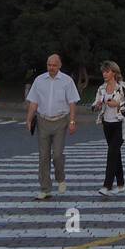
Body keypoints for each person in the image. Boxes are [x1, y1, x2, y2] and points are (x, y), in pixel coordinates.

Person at [25, 54, 80, 200]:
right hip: (43, 121)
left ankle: (60, 177)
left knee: (57, 155)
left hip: (60, 121)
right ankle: (45, 188)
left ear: (59, 66)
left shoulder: (67, 81)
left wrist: (72, 122)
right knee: (43, 156)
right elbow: (34, 102)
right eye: (49, 65)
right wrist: (29, 119)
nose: (51, 68)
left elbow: (72, 103)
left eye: (54, 65)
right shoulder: (39, 80)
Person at [93, 60, 125, 196]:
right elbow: (95, 104)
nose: (104, 74)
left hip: (119, 124)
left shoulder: (123, 87)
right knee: (115, 154)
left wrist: (118, 104)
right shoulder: (102, 88)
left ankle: (107, 185)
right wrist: (97, 105)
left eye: (107, 71)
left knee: (112, 153)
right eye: (103, 72)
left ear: (114, 72)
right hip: (107, 123)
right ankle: (121, 184)